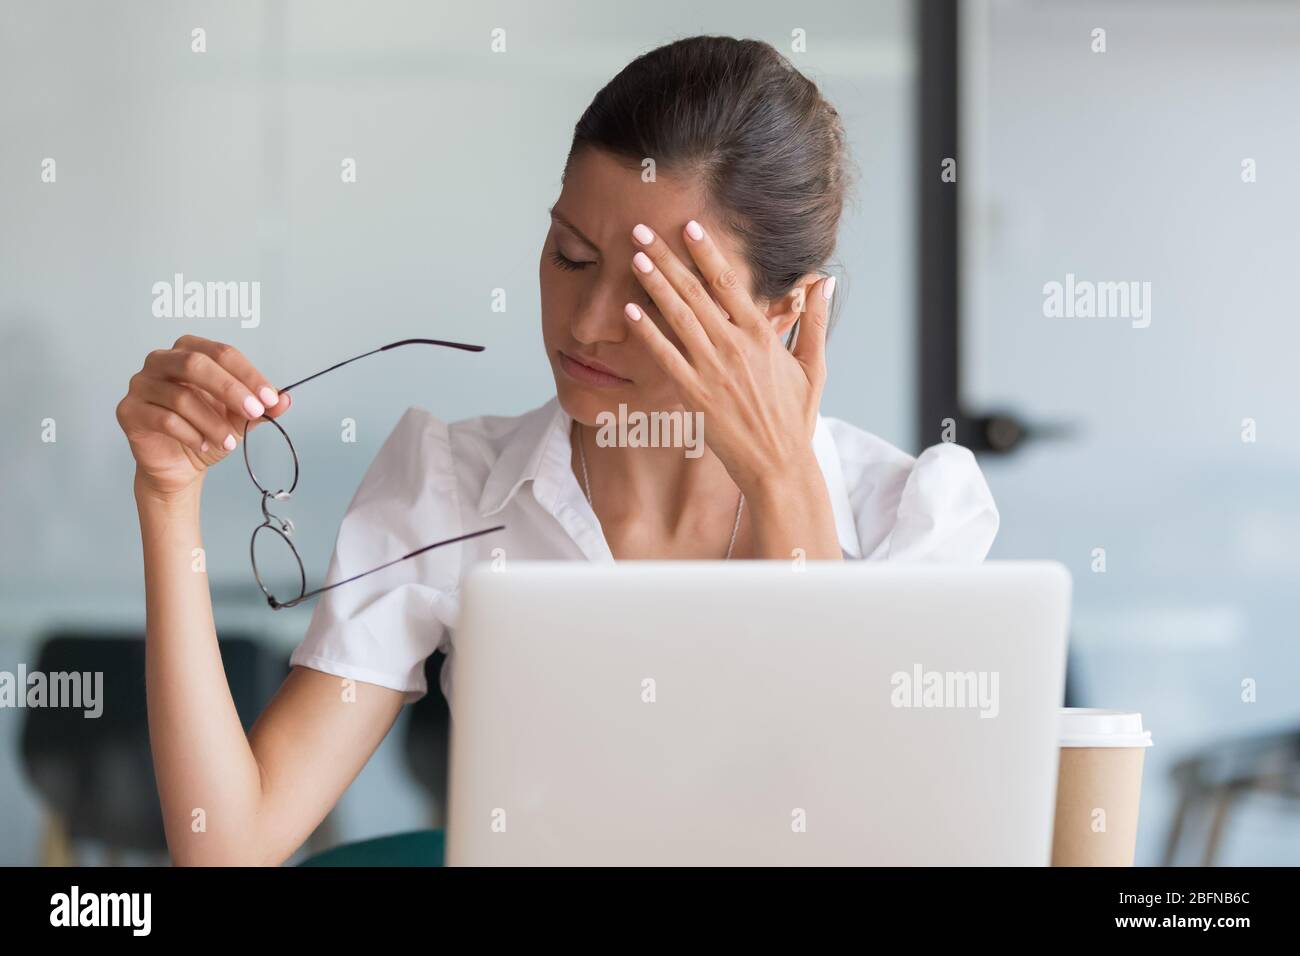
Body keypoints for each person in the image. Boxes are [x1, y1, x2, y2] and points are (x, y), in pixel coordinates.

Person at [114, 36, 998, 865]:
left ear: (784, 315)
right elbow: (226, 842)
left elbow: (850, 835)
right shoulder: (452, 490)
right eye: (572, 257)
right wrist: (167, 497)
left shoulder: (907, 523)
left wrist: (780, 479)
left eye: (656, 296)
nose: (584, 324)